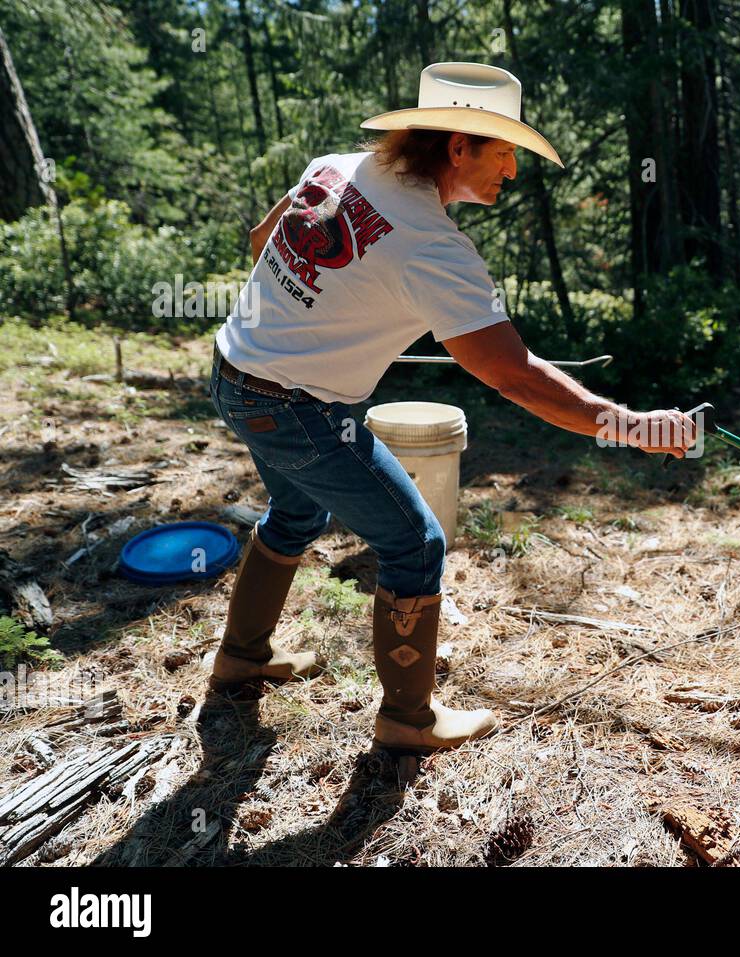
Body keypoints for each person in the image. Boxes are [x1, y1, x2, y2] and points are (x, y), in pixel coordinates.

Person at [207, 62, 695, 755]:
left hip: (232, 372)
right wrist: (630, 425)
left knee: (295, 512)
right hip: (293, 407)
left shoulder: (336, 166)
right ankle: (408, 719)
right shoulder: (433, 246)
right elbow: (513, 375)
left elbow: (263, 242)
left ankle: (241, 657)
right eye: (505, 153)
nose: (514, 173)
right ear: (459, 147)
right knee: (415, 542)